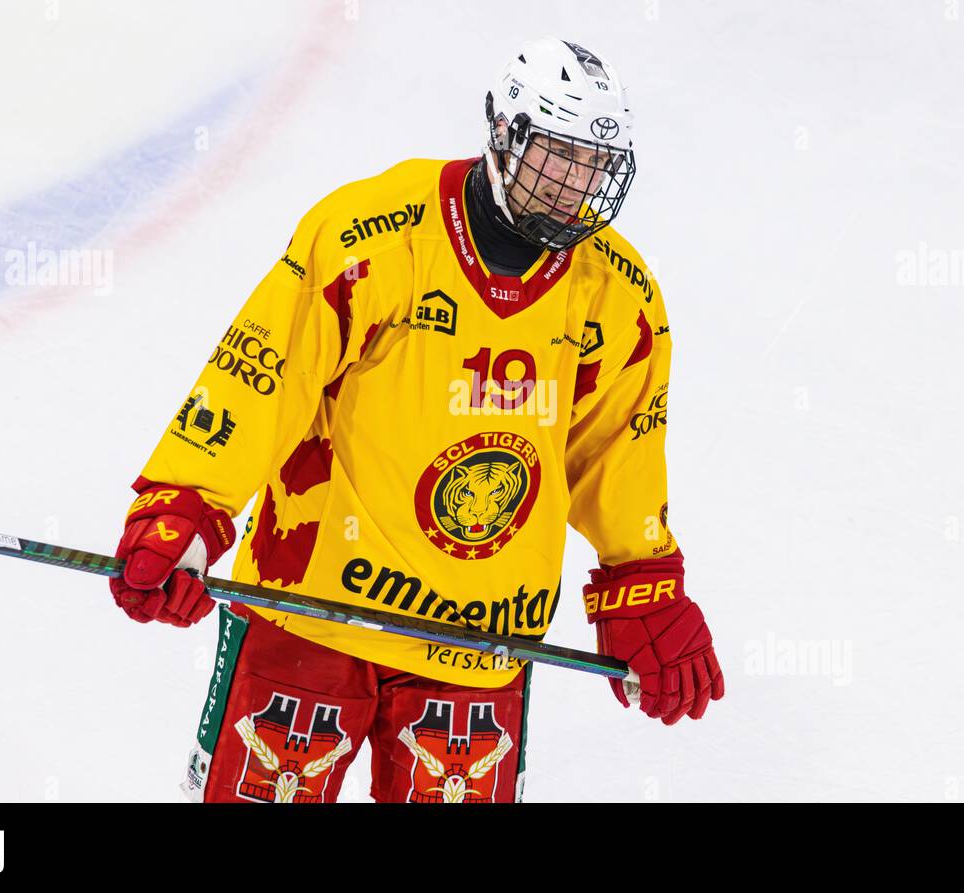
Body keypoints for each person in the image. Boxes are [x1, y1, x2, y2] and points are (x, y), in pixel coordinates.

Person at [108, 36, 724, 804]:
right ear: (505, 134)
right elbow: (264, 375)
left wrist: (642, 581)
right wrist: (187, 505)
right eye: (556, 158)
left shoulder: (617, 296)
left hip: (477, 641)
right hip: (316, 612)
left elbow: (619, 452)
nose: (574, 185)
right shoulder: (373, 235)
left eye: (594, 165)